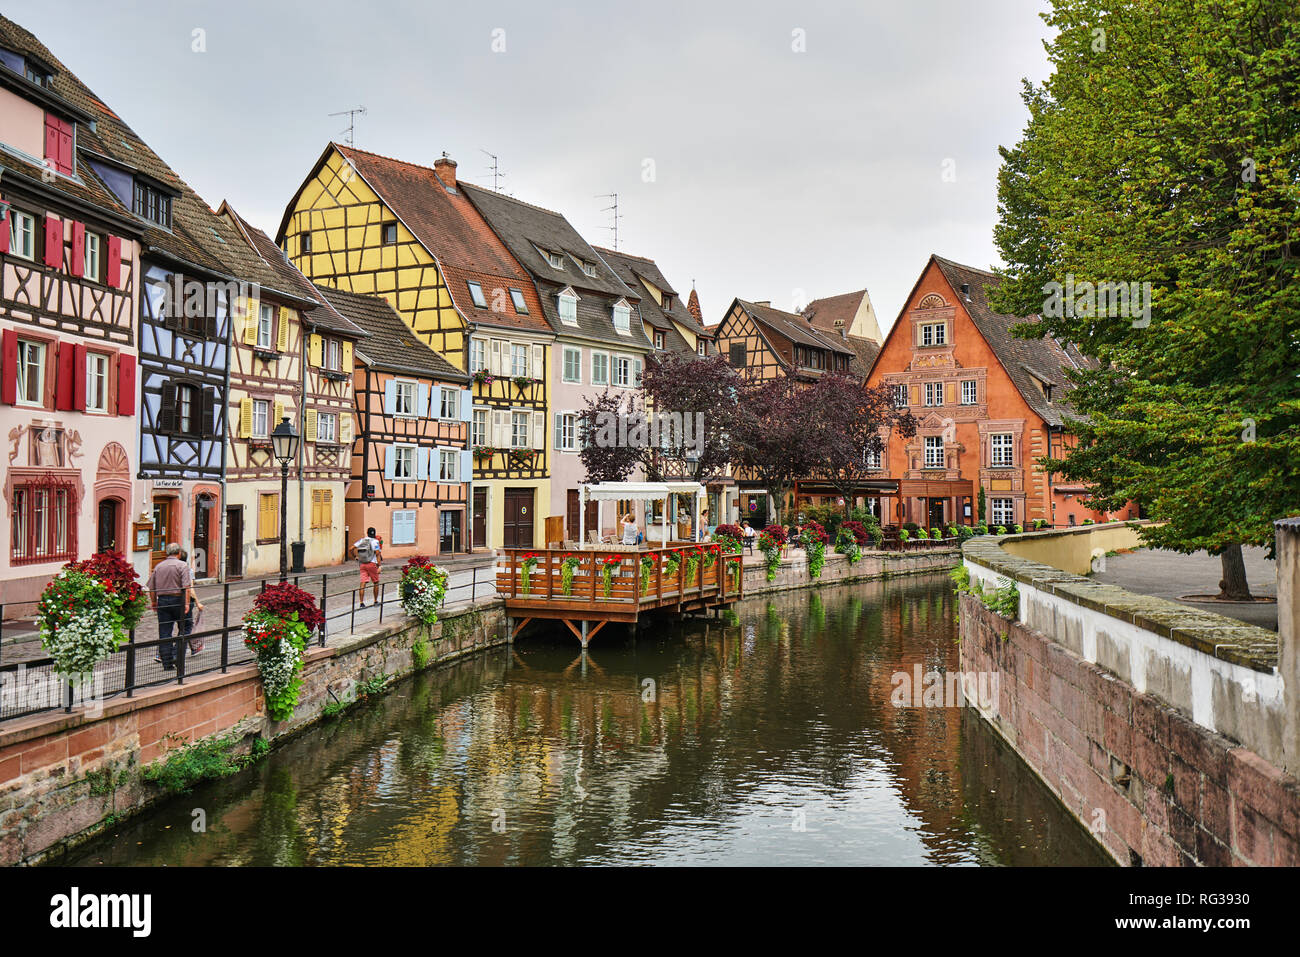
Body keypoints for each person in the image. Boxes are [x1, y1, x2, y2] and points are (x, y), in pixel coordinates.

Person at [146, 543, 191, 670]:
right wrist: (187, 603)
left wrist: (154, 602)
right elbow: (186, 586)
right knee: (186, 627)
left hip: (163, 600)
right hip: (178, 599)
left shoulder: (158, 567)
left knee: (164, 632)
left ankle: (167, 663)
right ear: (179, 553)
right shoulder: (182, 565)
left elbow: (152, 588)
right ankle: (177, 654)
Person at [178, 549, 206, 655]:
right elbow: (190, 589)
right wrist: (198, 602)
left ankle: (162, 653)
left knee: (175, 626)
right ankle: (182, 650)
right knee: (187, 625)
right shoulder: (187, 570)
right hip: (185, 601)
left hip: (171, 599)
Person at [352, 526, 383, 608]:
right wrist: (379, 565)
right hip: (372, 563)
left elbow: (351, 548)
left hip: (362, 564)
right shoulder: (375, 541)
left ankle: (361, 603)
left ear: (367, 533)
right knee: (376, 582)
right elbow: (377, 553)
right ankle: (375, 601)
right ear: (374, 534)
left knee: (363, 583)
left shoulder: (362, 540)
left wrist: (355, 556)